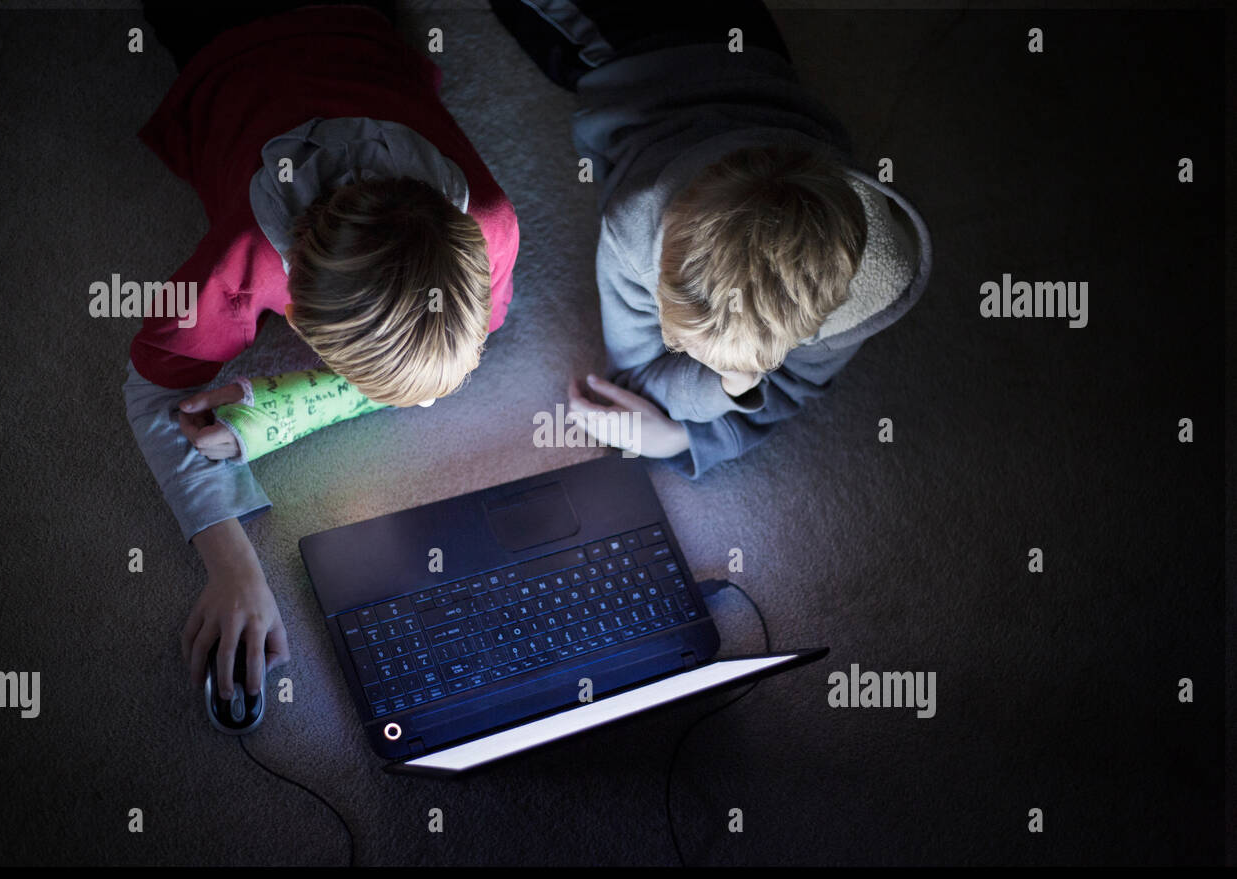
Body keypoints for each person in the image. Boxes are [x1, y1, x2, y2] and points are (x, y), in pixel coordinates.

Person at [125, 2, 519, 703]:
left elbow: (474, 334)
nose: (429, 405)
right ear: (293, 319)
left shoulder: (488, 221)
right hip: (224, 38)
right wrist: (232, 565)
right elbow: (148, 388)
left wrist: (288, 404)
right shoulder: (240, 269)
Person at [491, 0, 930, 476]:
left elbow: (790, 389)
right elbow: (635, 381)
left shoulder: (859, 287)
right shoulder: (635, 229)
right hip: (631, 57)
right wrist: (721, 393)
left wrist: (699, 422)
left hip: (748, 45)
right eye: (684, 347)